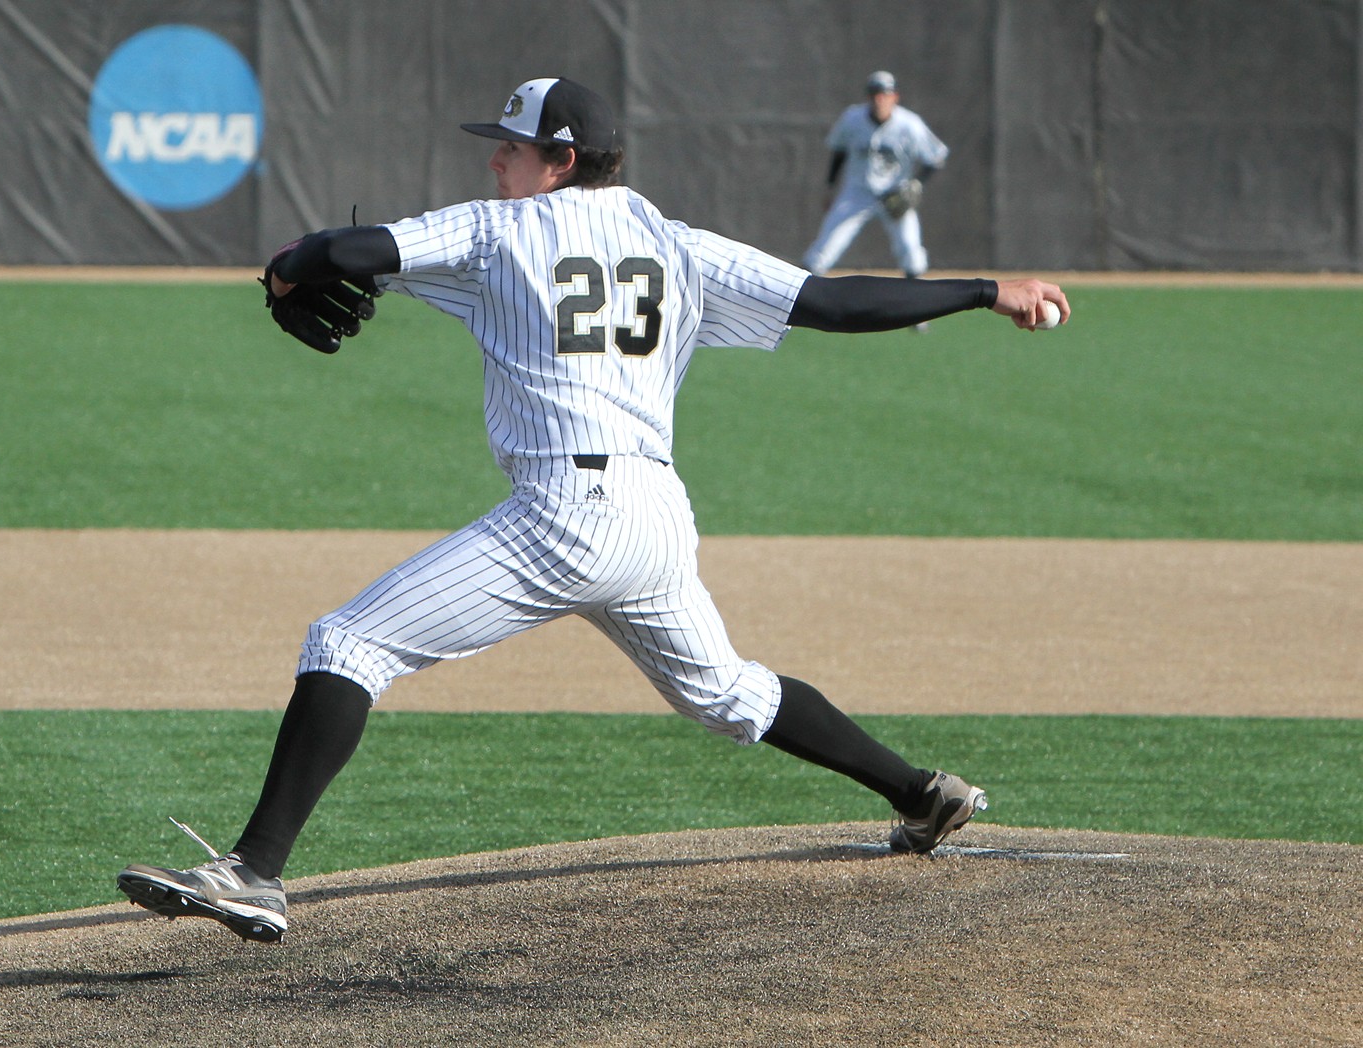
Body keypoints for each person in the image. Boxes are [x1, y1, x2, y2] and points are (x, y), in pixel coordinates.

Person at [117, 77, 1070, 943]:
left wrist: (285, 271)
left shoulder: (501, 231)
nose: (495, 161)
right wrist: (990, 289)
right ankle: (921, 793)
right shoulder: (674, 241)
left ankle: (253, 874)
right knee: (729, 693)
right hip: (655, 516)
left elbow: (344, 249)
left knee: (348, 643)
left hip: (567, 513)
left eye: (511, 148)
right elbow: (834, 302)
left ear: (560, 161)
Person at [802, 71, 948, 295]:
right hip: (857, 193)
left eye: (885, 94)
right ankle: (802, 299)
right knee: (825, 246)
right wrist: (830, 187)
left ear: (895, 97)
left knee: (910, 249)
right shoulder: (852, 118)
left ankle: (916, 303)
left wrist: (917, 184)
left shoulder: (909, 124)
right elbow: (838, 151)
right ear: (868, 96)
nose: (879, 99)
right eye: (875, 93)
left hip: (894, 195)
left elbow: (936, 156)